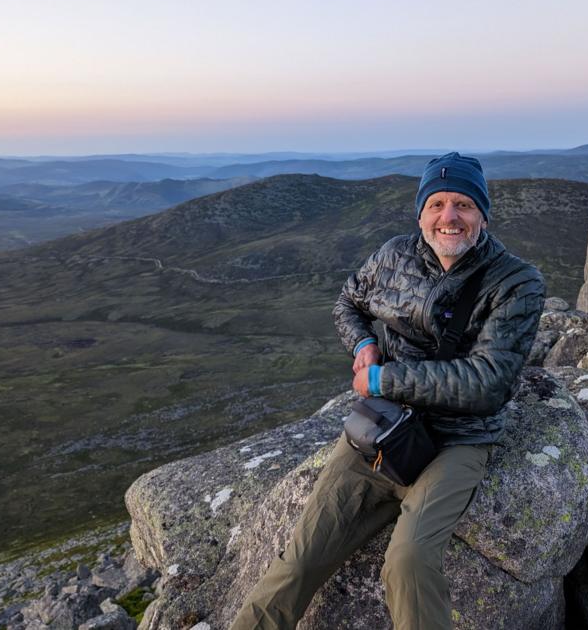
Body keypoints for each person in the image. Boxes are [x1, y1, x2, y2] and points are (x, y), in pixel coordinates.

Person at [231, 152, 545, 630]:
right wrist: (362, 343)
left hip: (458, 438)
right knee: (297, 562)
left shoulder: (515, 281)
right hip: (384, 426)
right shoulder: (394, 256)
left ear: (483, 213)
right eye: (436, 204)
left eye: (463, 204)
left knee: (408, 560)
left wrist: (381, 380)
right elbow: (348, 301)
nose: (449, 217)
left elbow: (488, 383)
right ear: (420, 212)